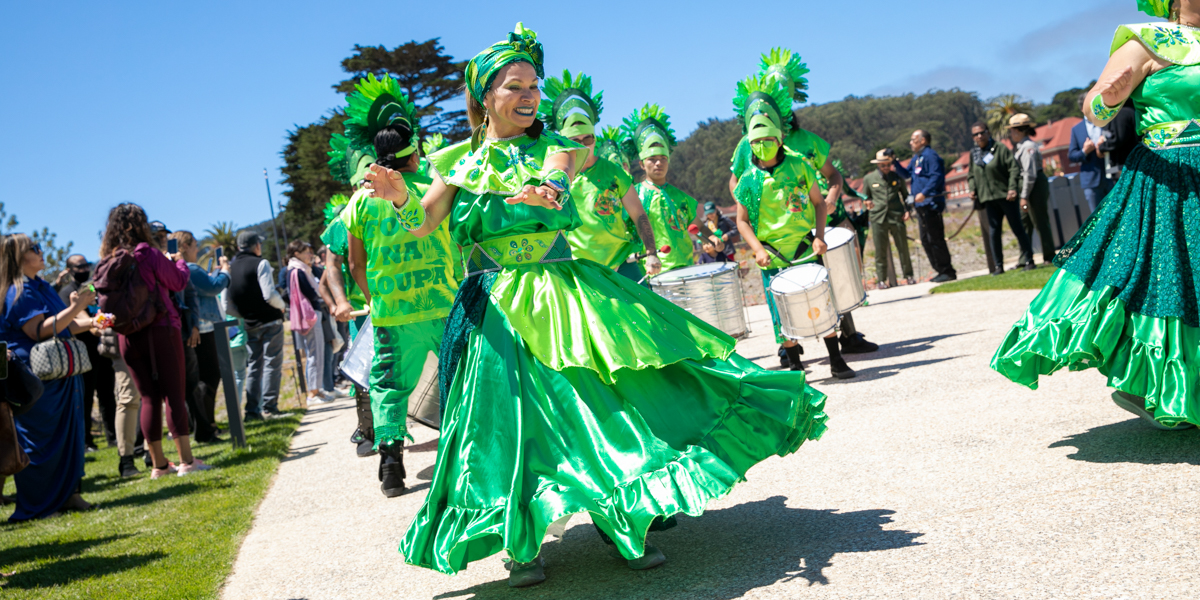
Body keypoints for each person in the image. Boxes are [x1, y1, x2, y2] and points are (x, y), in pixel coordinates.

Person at [365, 23, 827, 587]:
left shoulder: (558, 148)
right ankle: (522, 540)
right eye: (515, 87)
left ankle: (621, 522)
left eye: (534, 85)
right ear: (485, 97)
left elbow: (556, 181)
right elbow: (424, 223)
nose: (530, 96)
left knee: (601, 411)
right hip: (495, 308)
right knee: (510, 426)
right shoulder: (457, 161)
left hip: (562, 293)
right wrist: (399, 198)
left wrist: (544, 190)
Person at [993, 1, 1200, 430]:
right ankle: (1150, 383)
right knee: (1164, 280)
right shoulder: (1149, 40)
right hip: (1169, 177)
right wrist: (1107, 99)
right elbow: (1094, 109)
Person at [342, 74, 460, 496]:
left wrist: (375, 300)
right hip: (444, 305)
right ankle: (461, 462)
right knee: (457, 380)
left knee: (389, 388)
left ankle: (391, 466)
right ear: (415, 153)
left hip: (392, 312)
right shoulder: (434, 187)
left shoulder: (360, 201)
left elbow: (355, 262)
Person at [729, 49, 877, 360]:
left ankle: (846, 335)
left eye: (784, 90)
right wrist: (754, 205)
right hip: (774, 232)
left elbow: (832, 174)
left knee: (826, 282)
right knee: (782, 292)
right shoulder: (749, 142)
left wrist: (832, 197)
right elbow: (736, 183)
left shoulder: (808, 140)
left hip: (815, 220)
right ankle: (789, 349)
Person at [101, 205, 212, 478]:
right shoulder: (147, 254)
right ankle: (187, 461)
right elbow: (178, 281)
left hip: (128, 335)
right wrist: (177, 260)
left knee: (148, 398)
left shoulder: (108, 259)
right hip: (162, 329)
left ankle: (159, 465)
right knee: (173, 394)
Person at [1, 233, 95, 519]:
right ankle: (37, 506)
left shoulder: (40, 285)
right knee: (40, 442)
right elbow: (38, 331)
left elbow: (63, 326)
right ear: (18, 257)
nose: (41, 252)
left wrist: (91, 322)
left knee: (69, 436)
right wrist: (78, 307)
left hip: (61, 372)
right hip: (38, 378)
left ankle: (68, 495)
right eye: (34, 248)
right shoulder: (18, 291)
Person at [538, 70, 662, 283]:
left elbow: (638, 214)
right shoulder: (557, 177)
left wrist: (651, 252)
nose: (584, 146)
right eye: (576, 140)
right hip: (583, 270)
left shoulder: (614, 172)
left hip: (624, 263)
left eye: (589, 139)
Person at [621, 104, 697, 274]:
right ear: (641, 164)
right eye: (652, 159)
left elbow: (696, 225)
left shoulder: (680, 196)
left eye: (663, 158)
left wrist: (711, 237)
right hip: (653, 272)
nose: (658, 163)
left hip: (687, 268)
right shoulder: (633, 195)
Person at [56, 254, 116, 451]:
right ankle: (86, 440)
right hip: (82, 353)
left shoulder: (92, 289)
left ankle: (113, 437)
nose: (84, 270)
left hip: (103, 350)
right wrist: (98, 323)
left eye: (86, 265)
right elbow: (86, 322)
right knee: (85, 397)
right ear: (70, 270)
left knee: (108, 395)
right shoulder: (67, 293)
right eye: (79, 266)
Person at [176, 230, 230, 442]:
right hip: (203, 328)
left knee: (200, 378)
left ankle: (207, 426)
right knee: (208, 377)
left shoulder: (184, 269)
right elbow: (212, 287)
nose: (197, 250)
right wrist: (224, 271)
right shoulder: (190, 268)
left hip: (195, 327)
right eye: (194, 246)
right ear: (185, 247)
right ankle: (205, 427)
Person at [227, 231, 286, 420]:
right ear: (256, 246)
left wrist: (244, 315)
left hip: (249, 324)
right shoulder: (261, 263)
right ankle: (270, 407)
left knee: (254, 366)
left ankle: (252, 411)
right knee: (272, 364)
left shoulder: (230, 269)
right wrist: (283, 306)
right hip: (270, 321)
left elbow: (227, 306)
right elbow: (269, 294)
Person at [966, 123, 1033, 274]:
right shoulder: (974, 154)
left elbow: (1013, 168)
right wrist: (972, 189)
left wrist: (1011, 188)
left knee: (1017, 228)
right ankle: (998, 266)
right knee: (994, 232)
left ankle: (1029, 260)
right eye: (975, 134)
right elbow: (971, 174)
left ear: (988, 133)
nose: (979, 136)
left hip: (1005, 196)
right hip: (988, 199)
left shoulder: (999, 148)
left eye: (982, 133)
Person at [893, 130, 956, 282]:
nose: (910, 142)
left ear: (923, 140)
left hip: (931, 203)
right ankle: (939, 270)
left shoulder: (930, 156)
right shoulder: (916, 158)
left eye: (913, 139)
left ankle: (947, 271)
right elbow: (906, 174)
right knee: (926, 240)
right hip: (921, 206)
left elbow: (937, 176)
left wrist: (925, 193)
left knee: (935, 238)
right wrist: (894, 162)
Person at [284, 240, 333, 405]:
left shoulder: (300, 269)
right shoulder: (298, 271)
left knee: (316, 353)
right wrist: (319, 295)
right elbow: (310, 293)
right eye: (306, 252)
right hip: (310, 315)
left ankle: (316, 389)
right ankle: (312, 393)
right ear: (296, 253)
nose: (310, 255)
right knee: (314, 353)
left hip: (310, 314)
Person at [1007, 114, 1055, 267]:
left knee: (1040, 220)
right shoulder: (1020, 147)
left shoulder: (1028, 147)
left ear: (1020, 131)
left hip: (1034, 186)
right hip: (1027, 185)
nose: (1011, 134)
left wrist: (1024, 196)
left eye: (1013, 130)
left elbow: (1029, 174)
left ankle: (1049, 255)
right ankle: (1026, 258)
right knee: (1024, 222)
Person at [862, 150, 916, 287]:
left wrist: (908, 210)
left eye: (888, 165)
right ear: (878, 165)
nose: (886, 168)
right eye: (883, 165)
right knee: (880, 250)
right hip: (878, 218)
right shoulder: (869, 179)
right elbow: (865, 198)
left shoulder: (896, 176)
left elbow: (905, 195)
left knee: (903, 248)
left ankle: (908, 275)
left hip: (896, 216)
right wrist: (865, 212)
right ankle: (881, 279)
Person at [98, 327, 143, 477]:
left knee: (151, 396)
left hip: (149, 330)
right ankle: (126, 461)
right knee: (128, 398)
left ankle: (154, 456)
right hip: (122, 335)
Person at [1068, 95, 1115, 213]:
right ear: (1082, 109)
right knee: (1098, 219)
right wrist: (1084, 151)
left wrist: (1105, 145)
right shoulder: (1076, 129)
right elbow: (1072, 155)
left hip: (1112, 177)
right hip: (1091, 182)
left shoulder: (1107, 121)